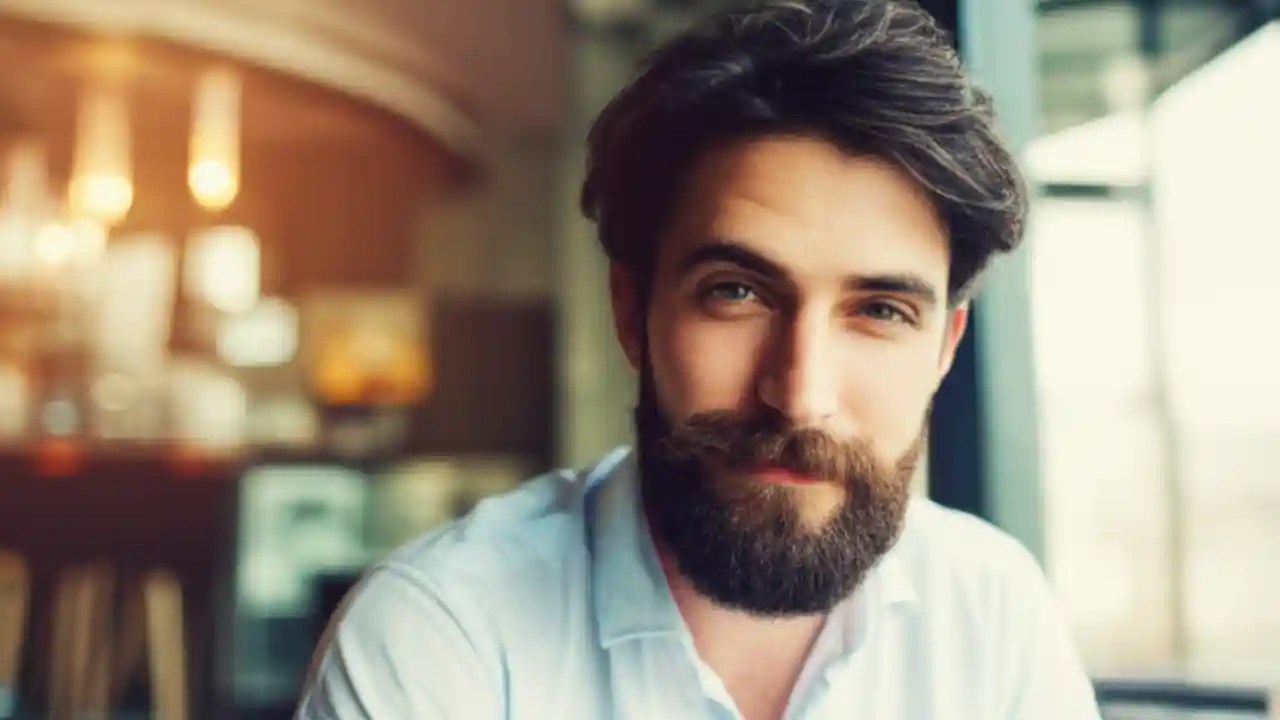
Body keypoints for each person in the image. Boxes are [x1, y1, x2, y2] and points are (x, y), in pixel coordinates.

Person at [296, 1, 1101, 717]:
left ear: (943, 351)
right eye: (738, 294)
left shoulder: (994, 614)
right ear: (631, 311)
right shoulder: (441, 633)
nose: (799, 394)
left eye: (880, 311)